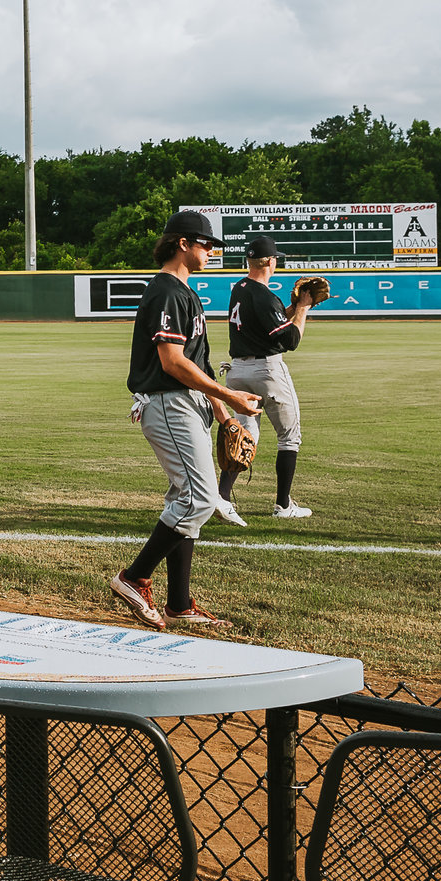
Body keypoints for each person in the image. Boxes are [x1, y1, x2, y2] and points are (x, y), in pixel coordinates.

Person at [109, 210, 261, 630]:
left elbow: (198, 363)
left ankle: (179, 603)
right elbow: (172, 362)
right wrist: (228, 393)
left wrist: (222, 410)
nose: (212, 251)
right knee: (200, 498)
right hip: (168, 401)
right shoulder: (166, 292)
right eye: (206, 244)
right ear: (183, 244)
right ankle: (135, 577)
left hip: (187, 402)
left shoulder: (185, 293)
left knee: (185, 498)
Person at [219, 234, 318, 520]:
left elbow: (267, 322)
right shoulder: (264, 294)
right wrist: (303, 308)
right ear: (271, 262)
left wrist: (286, 310)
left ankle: (223, 497)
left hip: (237, 372)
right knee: (289, 436)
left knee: (244, 436)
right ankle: (283, 505)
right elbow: (291, 340)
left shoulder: (240, 288)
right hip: (266, 370)